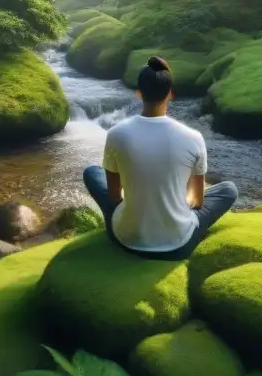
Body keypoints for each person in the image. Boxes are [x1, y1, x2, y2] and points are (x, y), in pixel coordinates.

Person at [82, 56, 238, 261]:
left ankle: (128, 220)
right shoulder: (193, 138)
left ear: (139, 93)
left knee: (92, 173)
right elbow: (197, 201)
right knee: (228, 190)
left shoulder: (116, 134)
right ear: (170, 94)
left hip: (125, 239)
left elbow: (114, 197)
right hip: (179, 245)